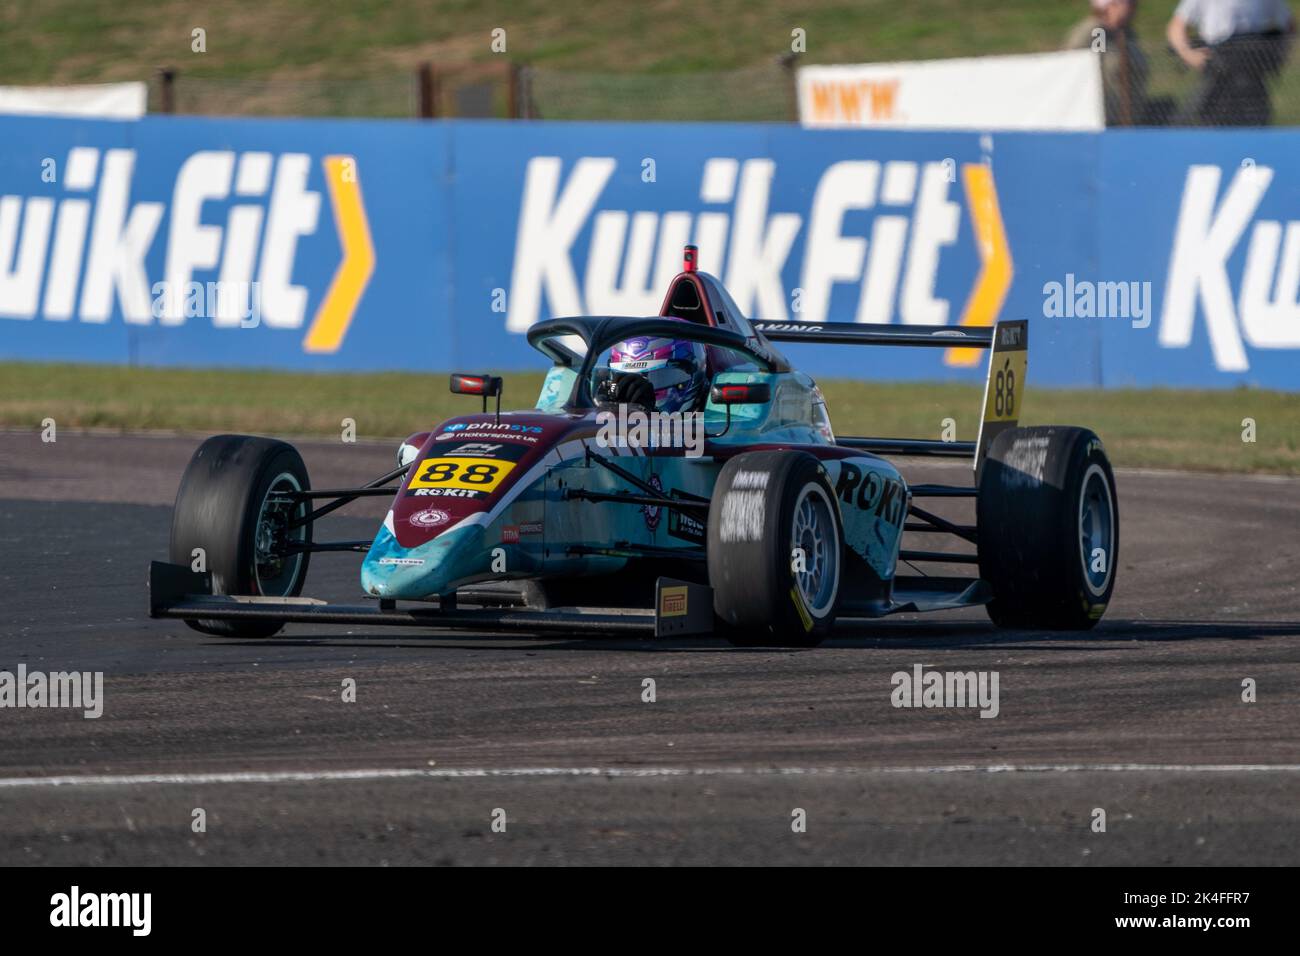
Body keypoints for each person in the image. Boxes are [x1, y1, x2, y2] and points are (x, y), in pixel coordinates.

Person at [1167, 0, 1295, 125]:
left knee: (1254, 120)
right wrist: (1188, 54)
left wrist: (1280, 54)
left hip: (1252, 70)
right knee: (1211, 118)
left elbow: (1288, 25)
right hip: (1217, 70)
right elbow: (1177, 26)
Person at [1065, 0, 1152, 125]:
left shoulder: (1127, 33)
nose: (1134, 8)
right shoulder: (1099, 32)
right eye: (1128, 3)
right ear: (1110, 6)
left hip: (1130, 115)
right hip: (1104, 114)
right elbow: (1094, 61)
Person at [602, 336, 709, 413]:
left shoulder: (718, 424)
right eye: (628, 379)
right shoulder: (607, 415)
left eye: (660, 377)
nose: (641, 393)